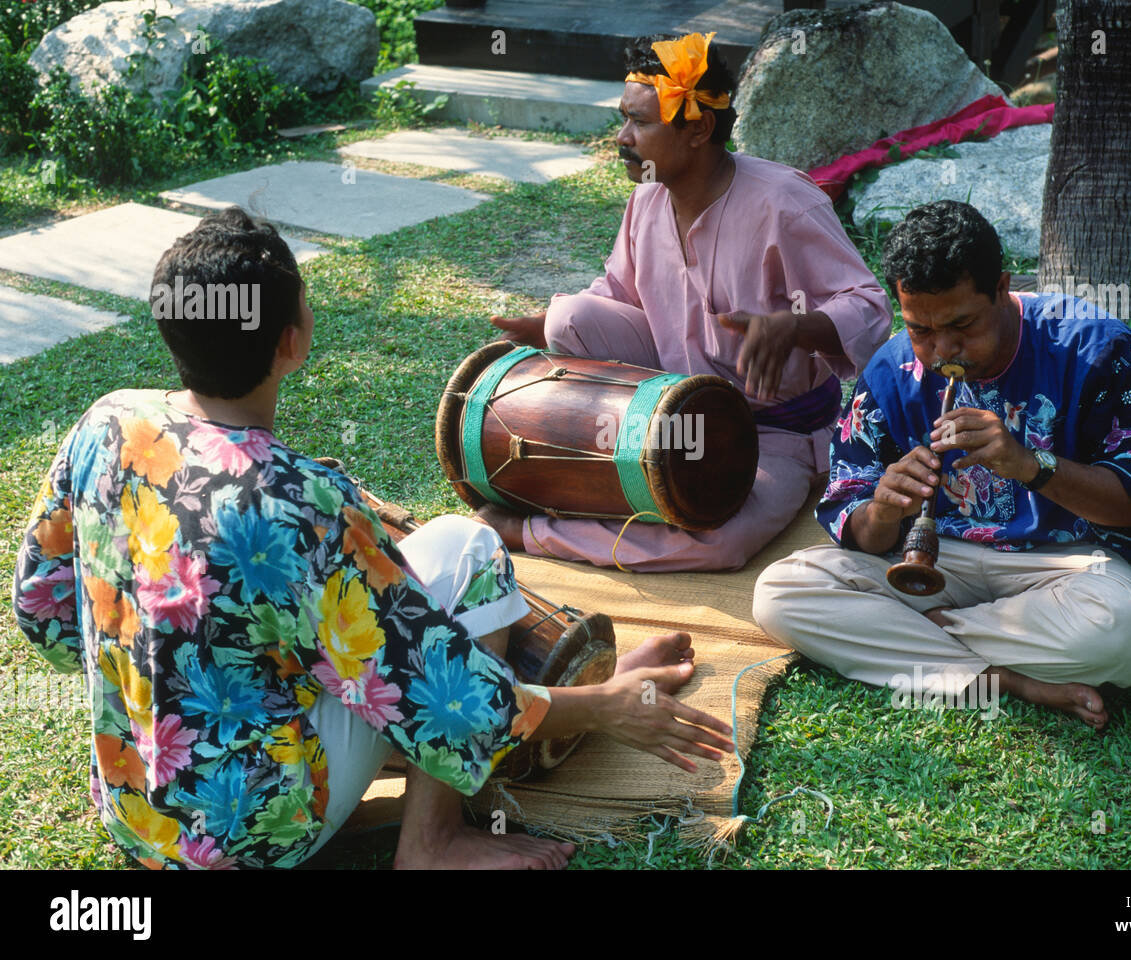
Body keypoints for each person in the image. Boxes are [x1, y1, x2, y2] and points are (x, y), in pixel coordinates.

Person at [11, 206, 734, 871]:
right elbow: (451, 704)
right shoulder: (302, 502)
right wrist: (607, 705)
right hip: (256, 834)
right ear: (292, 341)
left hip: (135, 807)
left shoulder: (106, 423)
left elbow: (43, 612)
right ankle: (430, 843)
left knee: (330, 640)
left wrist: (176, 673)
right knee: (471, 553)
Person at [753, 201, 1131, 729]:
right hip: (938, 561)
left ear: (1003, 287)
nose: (942, 350)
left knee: (1127, 631)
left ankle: (921, 638)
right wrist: (885, 510)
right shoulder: (893, 369)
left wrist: (1032, 466)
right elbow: (855, 519)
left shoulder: (1091, 348)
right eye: (921, 329)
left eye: (962, 324)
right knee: (781, 594)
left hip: (1063, 566)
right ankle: (1004, 678)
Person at [485, 31, 892, 571]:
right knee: (570, 314)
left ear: (698, 128)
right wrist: (545, 326)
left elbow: (870, 306)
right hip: (670, 406)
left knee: (719, 538)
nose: (622, 138)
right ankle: (626, 462)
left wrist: (795, 327)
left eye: (640, 123)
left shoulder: (784, 203)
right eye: (623, 118)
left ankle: (533, 531)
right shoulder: (648, 196)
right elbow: (617, 296)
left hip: (770, 432)